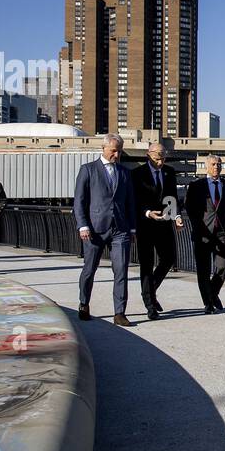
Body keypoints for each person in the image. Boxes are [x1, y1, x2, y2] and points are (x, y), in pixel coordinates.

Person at [73, 133, 137, 326]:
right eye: (113, 151)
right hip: (94, 229)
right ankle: (84, 304)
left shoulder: (125, 172)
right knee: (89, 270)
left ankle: (119, 313)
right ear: (104, 148)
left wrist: (132, 229)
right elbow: (79, 201)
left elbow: (130, 202)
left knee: (121, 271)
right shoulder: (88, 170)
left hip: (120, 229)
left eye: (119, 151)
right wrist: (83, 225)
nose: (116, 155)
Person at [131, 142, 183, 319]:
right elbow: (134, 200)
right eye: (157, 159)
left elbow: (172, 197)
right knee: (146, 264)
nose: (160, 163)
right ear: (149, 155)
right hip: (145, 225)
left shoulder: (169, 172)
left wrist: (176, 216)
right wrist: (147, 212)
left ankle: (149, 290)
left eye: (163, 159)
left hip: (164, 224)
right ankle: (150, 304)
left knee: (169, 259)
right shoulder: (137, 174)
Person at [184, 155, 225, 315]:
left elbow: (224, 209)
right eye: (213, 164)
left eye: (219, 164)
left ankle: (212, 292)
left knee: (223, 265)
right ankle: (208, 303)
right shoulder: (196, 185)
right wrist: (198, 225)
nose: (216, 167)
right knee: (203, 269)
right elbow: (189, 208)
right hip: (203, 232)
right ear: (206, 166)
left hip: (222, 232)